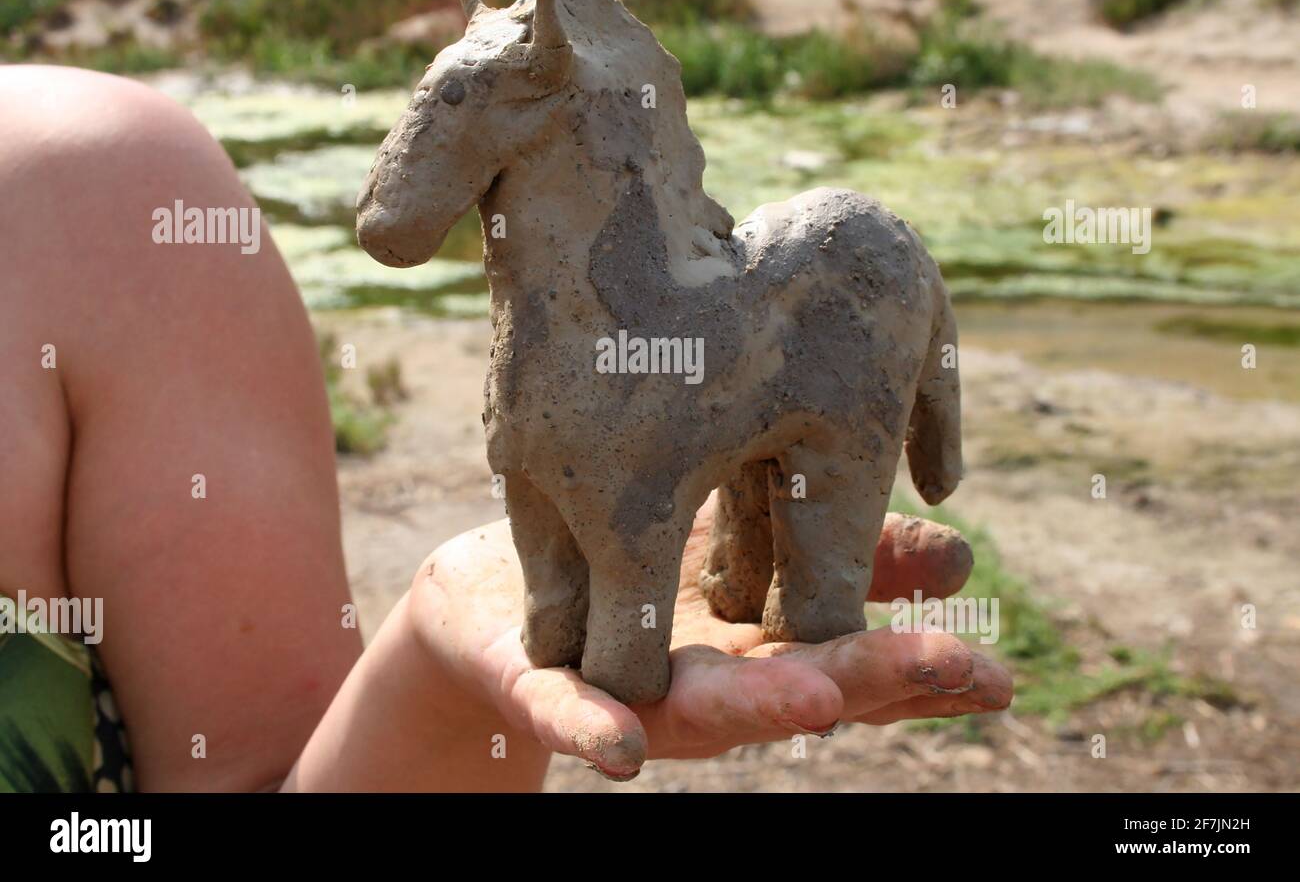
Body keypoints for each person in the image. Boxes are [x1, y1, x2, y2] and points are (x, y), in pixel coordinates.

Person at [0, 65, 1012, 792]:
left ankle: (794, 583)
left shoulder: (86, 193)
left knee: (787, 511)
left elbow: (258, 777)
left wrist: (440, 677)